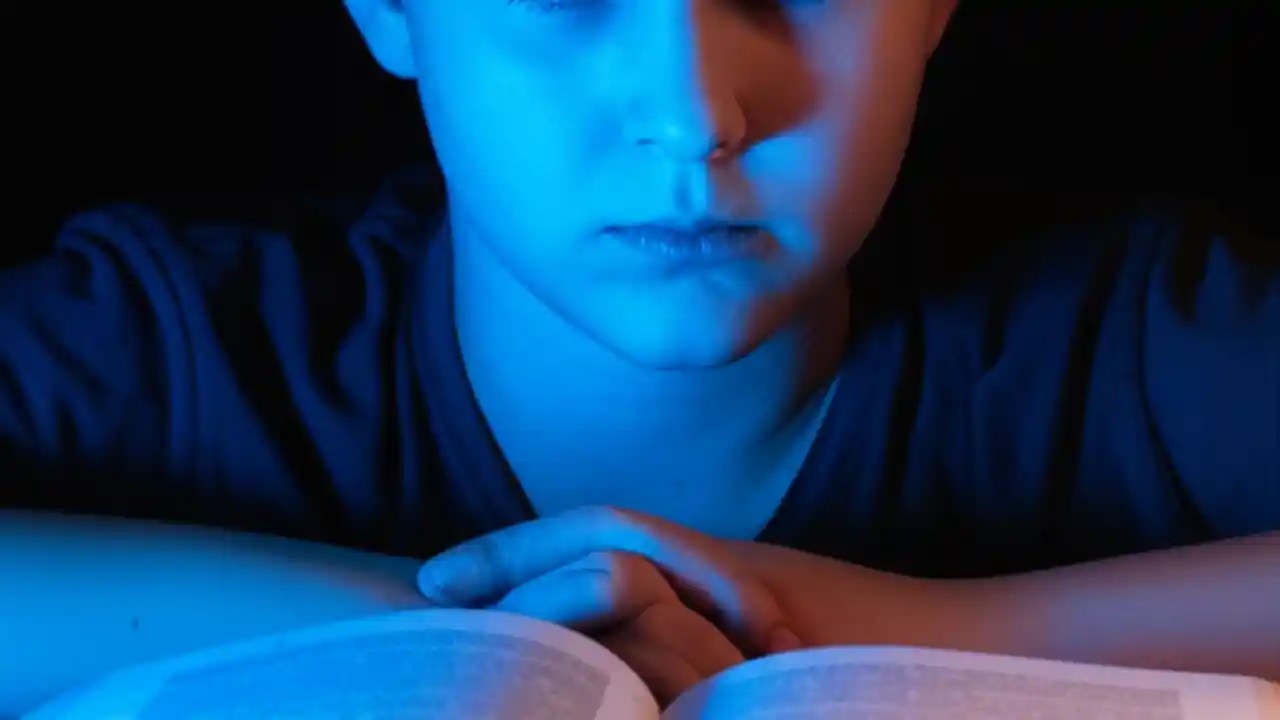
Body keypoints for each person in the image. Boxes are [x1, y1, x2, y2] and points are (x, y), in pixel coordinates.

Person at [2, 0, 1277, 712]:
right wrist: (480, 641)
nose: (694, 113)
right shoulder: (169, 349)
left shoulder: (1135, 341)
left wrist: (914, 633)